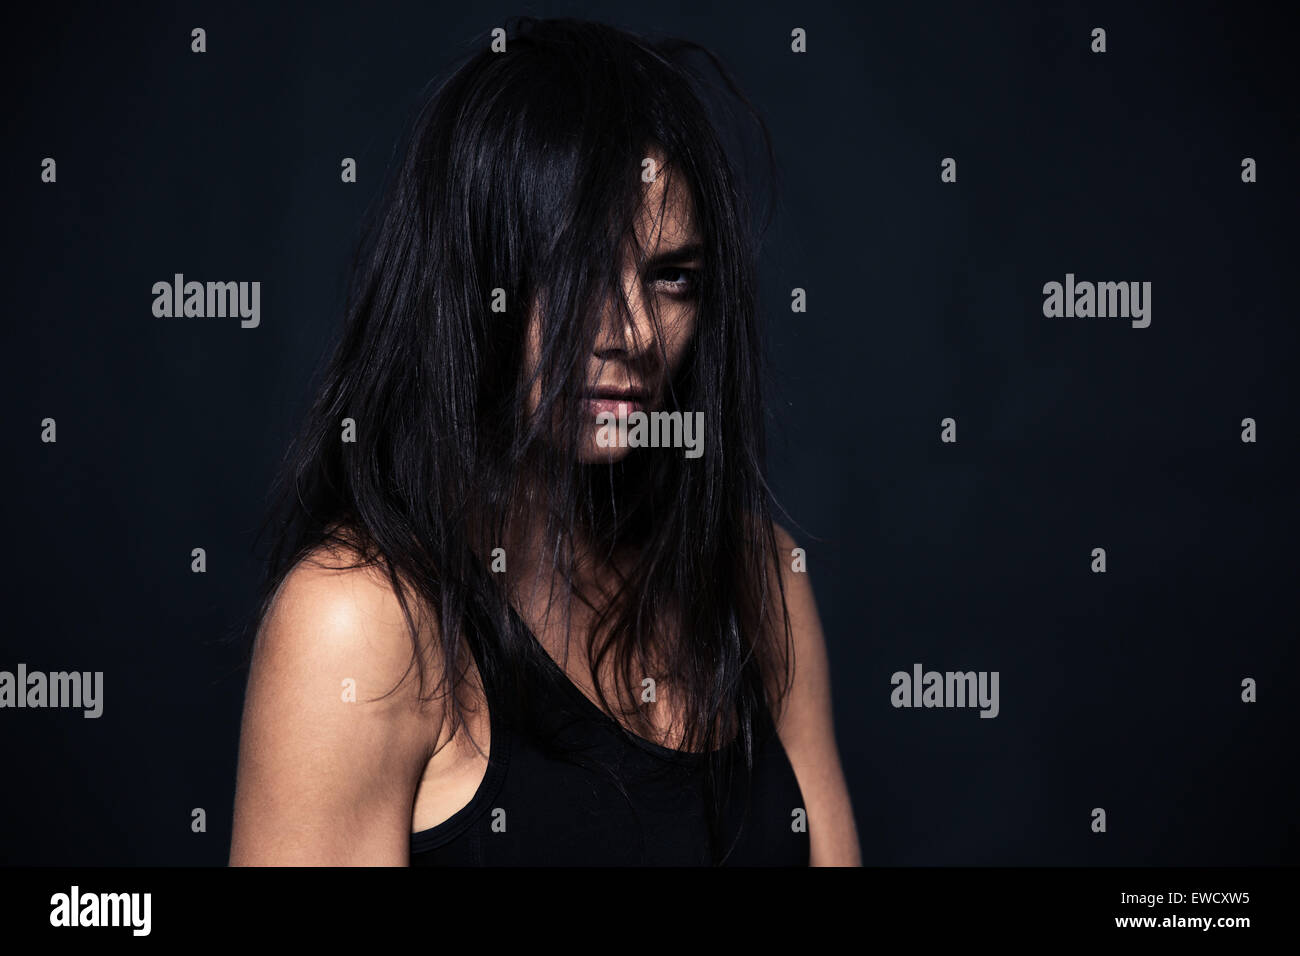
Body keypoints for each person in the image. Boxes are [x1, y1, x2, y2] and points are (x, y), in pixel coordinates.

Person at [229, 16, 860, 866]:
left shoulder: (757, 579)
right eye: (575, 268)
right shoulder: (357, 624)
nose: (633, 332)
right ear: (471, 279)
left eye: (672, 277)